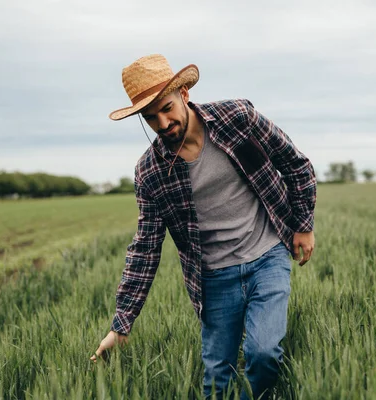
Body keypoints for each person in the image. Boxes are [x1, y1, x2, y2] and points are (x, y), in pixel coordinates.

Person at [91, 54, 317, 399]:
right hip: (213, 278)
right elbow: (145, 249)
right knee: (217, 379)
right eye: (151, 118)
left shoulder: (238, 118)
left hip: (267, 256)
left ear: (184, 93)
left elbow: (296, 163)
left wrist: (303, 225)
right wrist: (121, 324)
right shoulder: (150, 172)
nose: (163, 123)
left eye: (166, 108)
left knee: (263, 353)